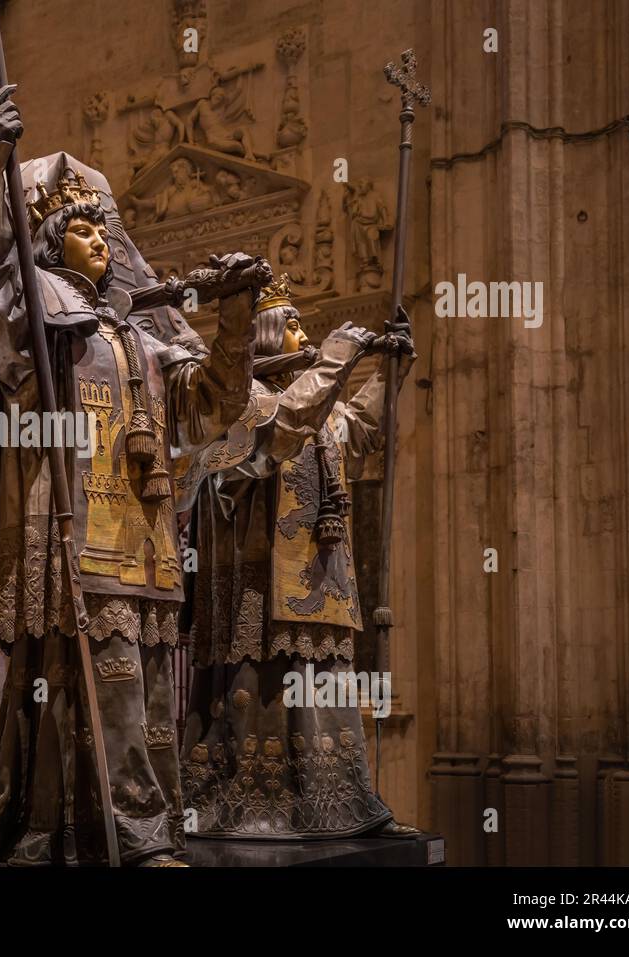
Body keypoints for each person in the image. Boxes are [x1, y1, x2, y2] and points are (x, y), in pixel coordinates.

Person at [0, 85, 270, 866]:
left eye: (103, 229)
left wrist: (234, 314)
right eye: (82, 229)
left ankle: (88, 828)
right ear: (55, 247)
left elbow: (213, 406)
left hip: (143, 541)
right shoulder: (45, 321)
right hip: (73, 532)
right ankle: (127, 837)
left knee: (149, 698)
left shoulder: (144, 340)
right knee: (98, 686)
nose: (100, 240)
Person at [178, 275, 422, 839]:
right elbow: (277, 435)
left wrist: (391, 370)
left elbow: (357, 429)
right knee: (265, 696)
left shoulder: (318, 410)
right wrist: (337, 359)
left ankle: (339, 806)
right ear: (263, 335)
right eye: (291, 325)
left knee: (325, 699)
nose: (304, 333)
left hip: (321, 588)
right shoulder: (241, 408)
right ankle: (253, 807)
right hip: (257, 595)